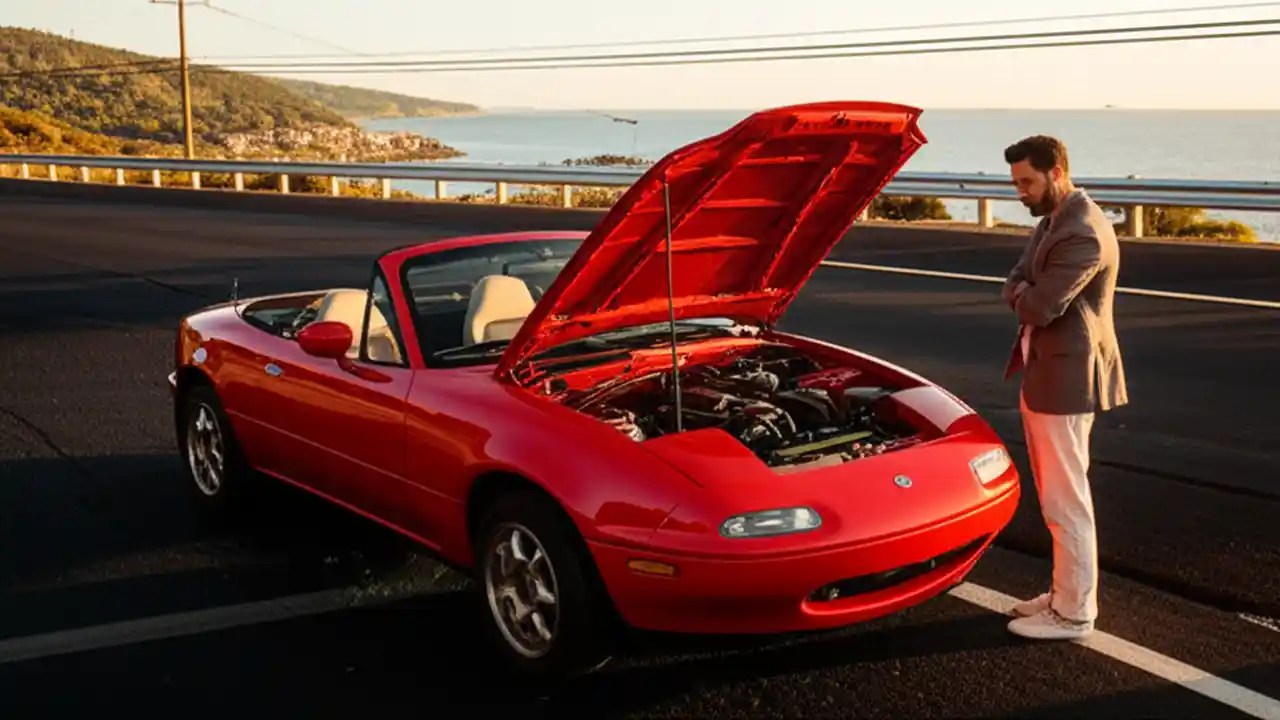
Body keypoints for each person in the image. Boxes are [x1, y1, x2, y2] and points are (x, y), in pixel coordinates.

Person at [999, 135, 1128, 640]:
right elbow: (1019, 277)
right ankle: (1063, 593)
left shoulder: (1083, 233)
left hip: (1067, 381)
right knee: (1056, 496)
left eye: (1026, 181)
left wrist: (1022, 290)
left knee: (1065, 499)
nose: (1020, 192)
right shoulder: (1054, 219)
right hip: (1046, 375)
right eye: (1014, 184)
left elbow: (1036, 305)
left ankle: (1075, 614)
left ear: (1056, 172)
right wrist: (1023, 287)